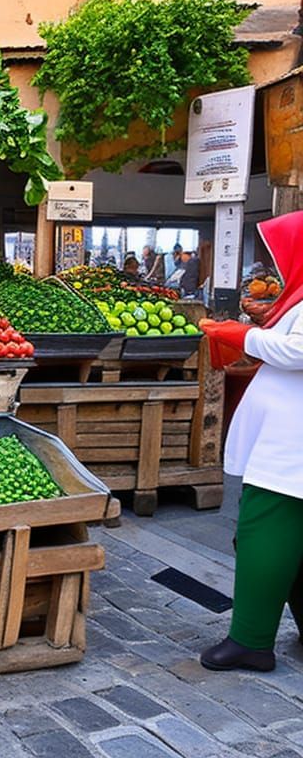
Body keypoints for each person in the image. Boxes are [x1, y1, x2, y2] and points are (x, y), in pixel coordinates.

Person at [198, 210, 303, 673]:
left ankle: (251, 640)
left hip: (289, 446)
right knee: (289, 535)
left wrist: (243, 334)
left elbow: (299, 350)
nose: (277, 267)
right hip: (285, 441)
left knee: (262, 532)